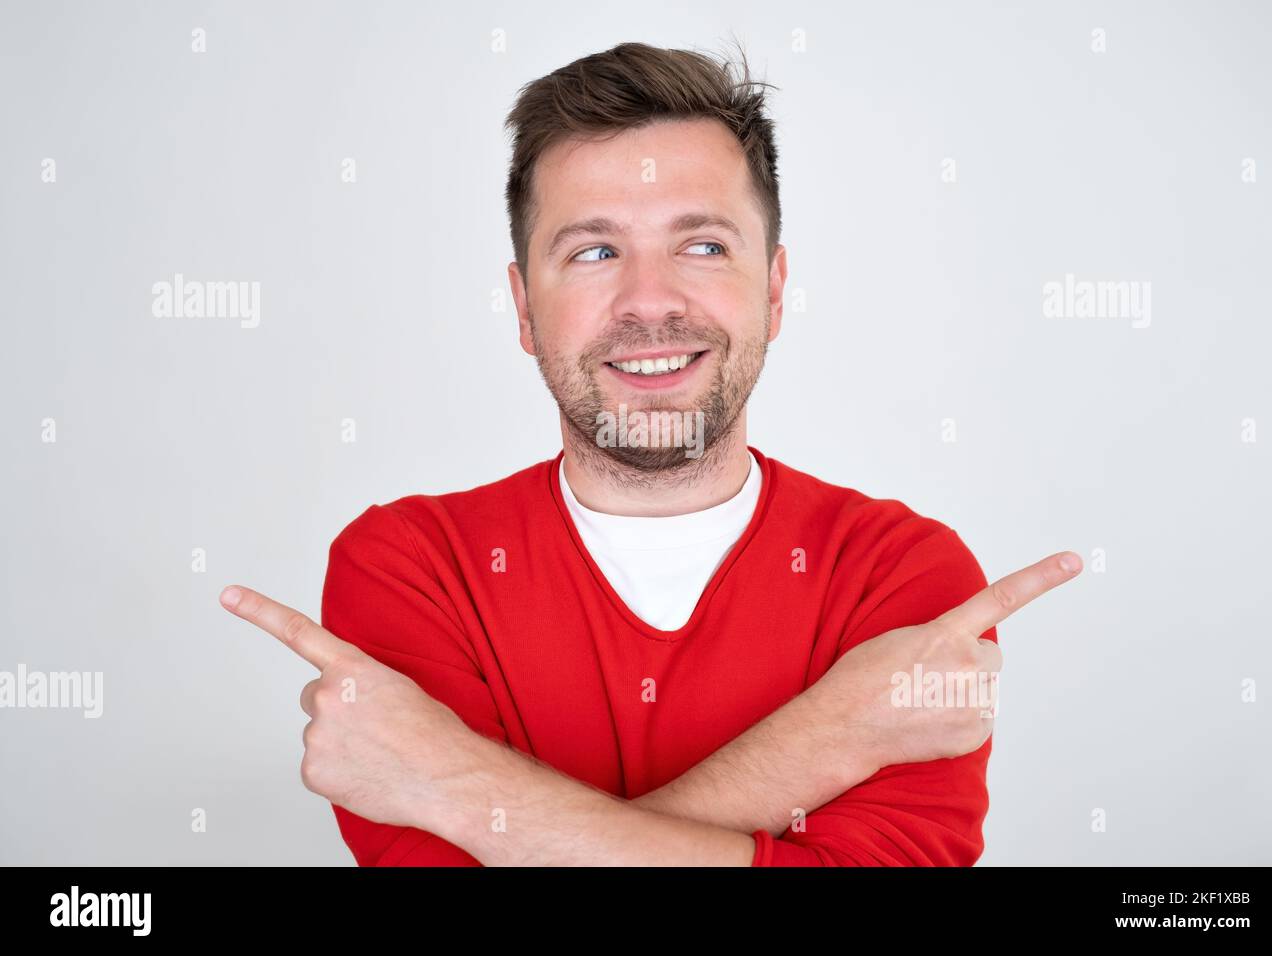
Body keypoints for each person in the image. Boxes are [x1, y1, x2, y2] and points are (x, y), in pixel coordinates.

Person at [219, 41, 1081, 866]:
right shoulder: (411, 567)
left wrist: (451, 787)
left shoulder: (901, 578)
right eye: (594, 251)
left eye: (702, 245)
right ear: (523, 308)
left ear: (774, 291)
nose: (649, 300)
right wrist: (834, 737)